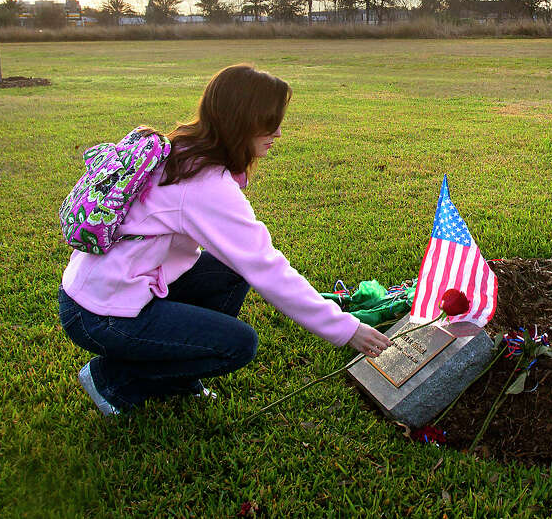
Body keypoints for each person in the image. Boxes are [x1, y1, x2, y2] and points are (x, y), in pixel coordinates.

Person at [58, 64, 391, 416]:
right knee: (237, 345)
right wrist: (346, 329)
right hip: (100, 315)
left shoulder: (183, 148)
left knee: (230, 271)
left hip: (97, 292)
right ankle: (113, 380)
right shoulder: (204, 184)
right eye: (268, 122)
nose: (277, 132)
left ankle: (178, 373)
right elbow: (266, 266)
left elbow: (242, 262)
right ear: (240, 121)